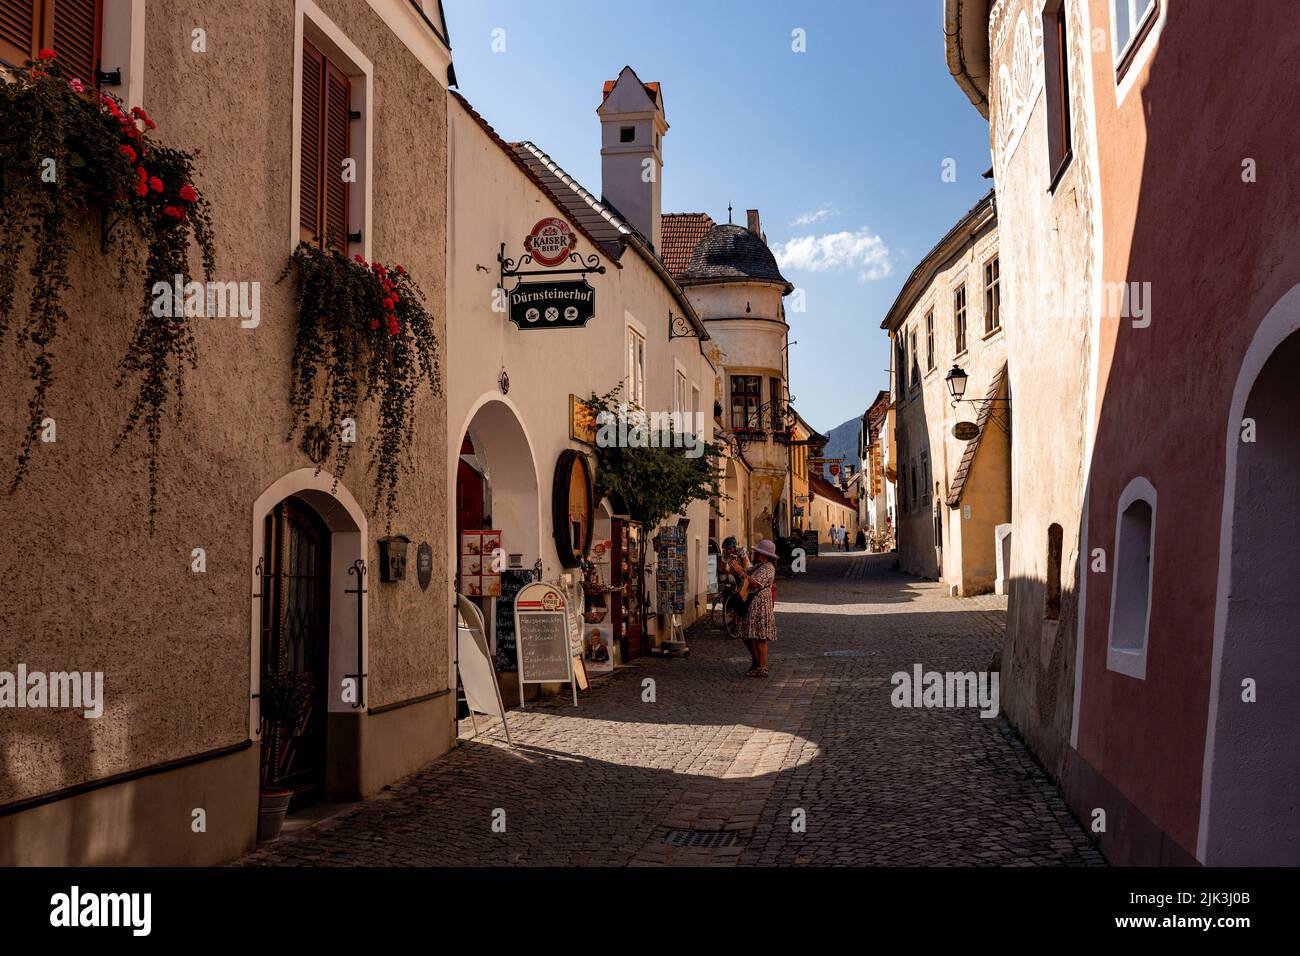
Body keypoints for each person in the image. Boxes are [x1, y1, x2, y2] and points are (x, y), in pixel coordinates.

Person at [727, 538, 778, 678]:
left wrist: (741, 572)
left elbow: (755, 583)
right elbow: (745, 572)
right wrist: (735, 565)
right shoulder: (758, 566)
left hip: (760, 607)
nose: (756, 554)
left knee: (760, 637)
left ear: (764, 555)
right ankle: (756, 661)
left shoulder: (768, 568)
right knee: (746, 633)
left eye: (758, 552)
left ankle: (762, 667)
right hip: (751, 605)